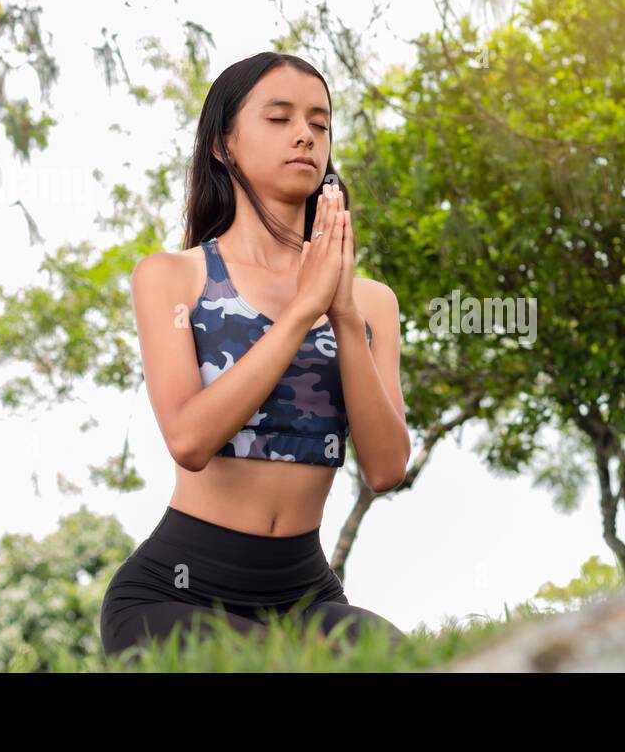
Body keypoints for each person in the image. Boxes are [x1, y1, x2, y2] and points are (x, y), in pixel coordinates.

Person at [99, 52, 412, 663]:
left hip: (307, 598)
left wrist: (343, 314)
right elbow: (189, 441)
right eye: (279, 118)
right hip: (173, 596)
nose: (305, 135)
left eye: (320, 124)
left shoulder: (372, 303)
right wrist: (302, 312)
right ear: (224, 146)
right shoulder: (172, 277)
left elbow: (386, 468)